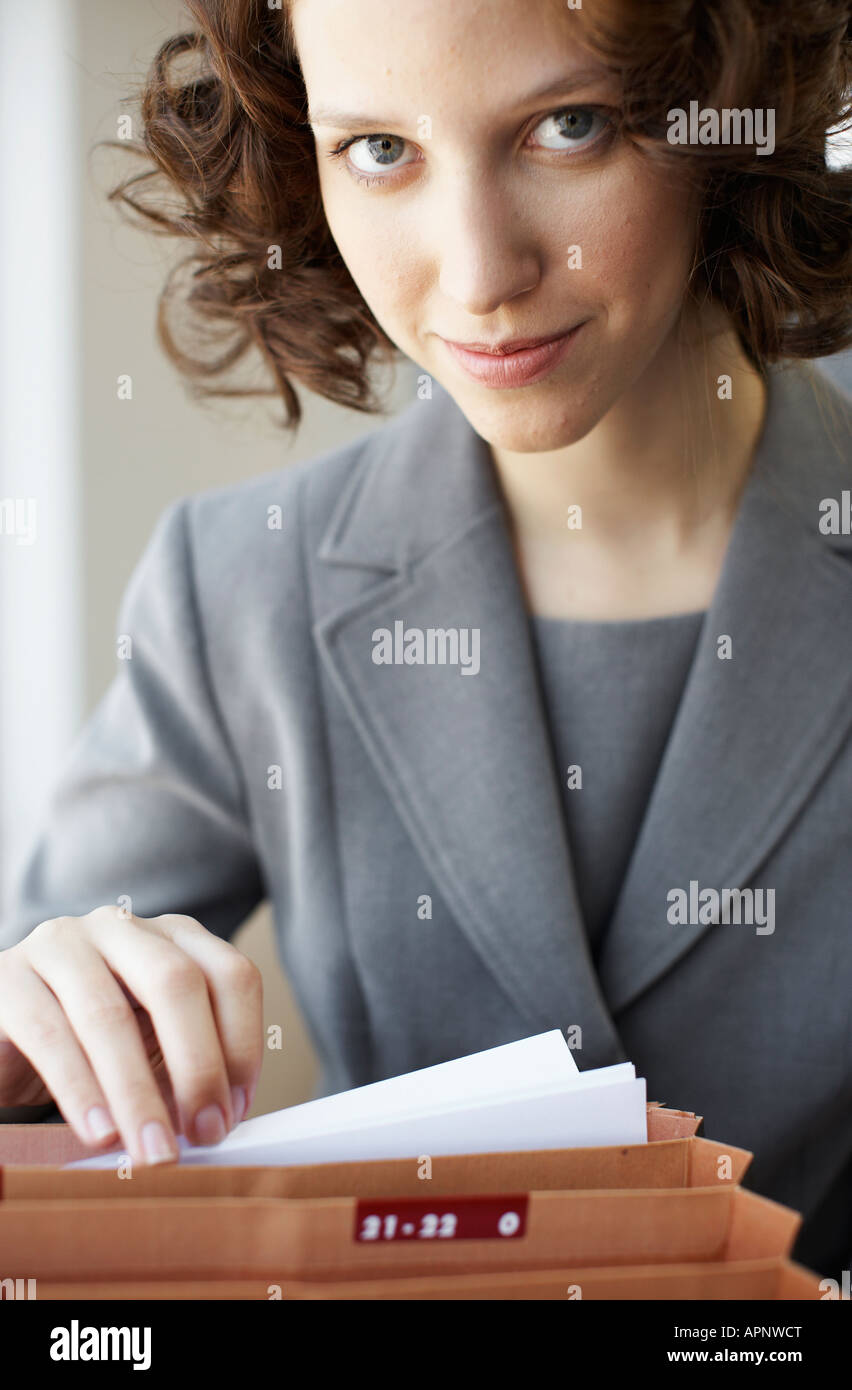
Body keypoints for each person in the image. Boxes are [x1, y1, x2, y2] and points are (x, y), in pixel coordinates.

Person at [1, 0, 851, 1277]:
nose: (477, 275)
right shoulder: (239, 583)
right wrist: (37, 1021)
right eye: (379, 150)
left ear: (728, 106)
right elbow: (41, 1091)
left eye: (571, 126)